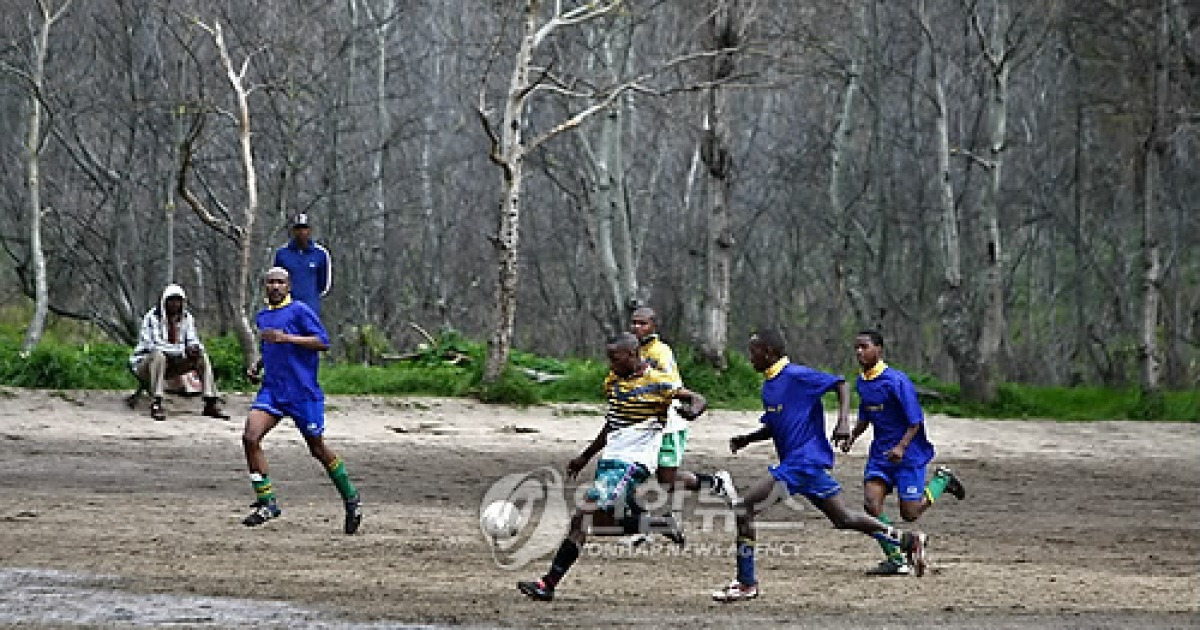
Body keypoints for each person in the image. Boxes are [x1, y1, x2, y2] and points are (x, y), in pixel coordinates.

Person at [711, 328, 929, 603]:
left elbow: (840, 384)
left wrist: (843, 421)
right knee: (844, 518)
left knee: (744, 510)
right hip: (806, 466)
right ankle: (909, 541)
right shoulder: (769, 385)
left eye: (753, 351)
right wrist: (748, 439)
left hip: (802, 462)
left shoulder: (796, 375)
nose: (749, 357)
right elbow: (778, 424)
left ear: (769, 352)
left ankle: (746, 583)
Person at [517, 332, 709, 602]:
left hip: (634, 462)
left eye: (614, 358)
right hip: (611, 459)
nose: (610, 364)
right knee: (602, 523)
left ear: (632, 355)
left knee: (582, 515)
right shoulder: (614, 381)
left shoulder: (659, 381)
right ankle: (659, 524)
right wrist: (586, 456)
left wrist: (693, 412)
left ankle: (547, 584)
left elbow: (698, 398)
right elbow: (613, 422)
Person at [240, 267, 362, 535]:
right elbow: (270, 347)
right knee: (250, 437)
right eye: (270, 282)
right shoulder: (263, 316)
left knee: (317, 449)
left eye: (280, 282)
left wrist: (288, 338)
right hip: (273, 391)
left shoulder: (300, 311)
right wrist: (258, 365)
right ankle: (267, 502)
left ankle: (351, 498)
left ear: (288, 286)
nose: (274, 286)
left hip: (303, 392)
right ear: (264, 286)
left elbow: (323, 342)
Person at [840, 329, 966, 576]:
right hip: (880, 456)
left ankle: (942, 481)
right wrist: (852, 437)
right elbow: (866, 416)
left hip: (909, 455)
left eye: (864, 347)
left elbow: (915, 421)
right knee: (871, 504)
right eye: (856, 347)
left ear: (879, 349)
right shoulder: (862, 381)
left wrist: (902, 447)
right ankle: (896, 559)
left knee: (910, 514)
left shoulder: (897, 381)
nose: (859, 352)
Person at [629, 306, 733, 540]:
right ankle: (644, 524)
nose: (637, 327)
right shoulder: (635, 350)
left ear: (653, 326)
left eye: (642, 323)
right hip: (645, 424)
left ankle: (714, 482)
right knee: (630, 472)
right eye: (634, 323)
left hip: (669, 424)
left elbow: (668, 385)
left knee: (667, 481)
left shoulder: (660, 352)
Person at [129, 283, 228, 421]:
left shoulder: (187, 318)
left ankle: (210, 401)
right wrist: (182, 351)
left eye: (178, 301)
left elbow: (193, 339)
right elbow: (153, 346)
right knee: (159, 356)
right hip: (146, 365)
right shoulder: (152, 318)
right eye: (171, 300)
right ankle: (156, 402)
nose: (175, 304)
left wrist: (194, 348)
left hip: (172, 365)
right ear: (164, 301)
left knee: (201, 357)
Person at [272, 213, 331, 319]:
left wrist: (310, 295)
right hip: (286, 307)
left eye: (304, 228)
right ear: (293, 231)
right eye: (298, 229)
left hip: (310, 308)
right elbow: (276, 281)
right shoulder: (282, 254)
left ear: (309, 231)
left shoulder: (320, 254)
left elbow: (323, 285)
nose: (301, 232)